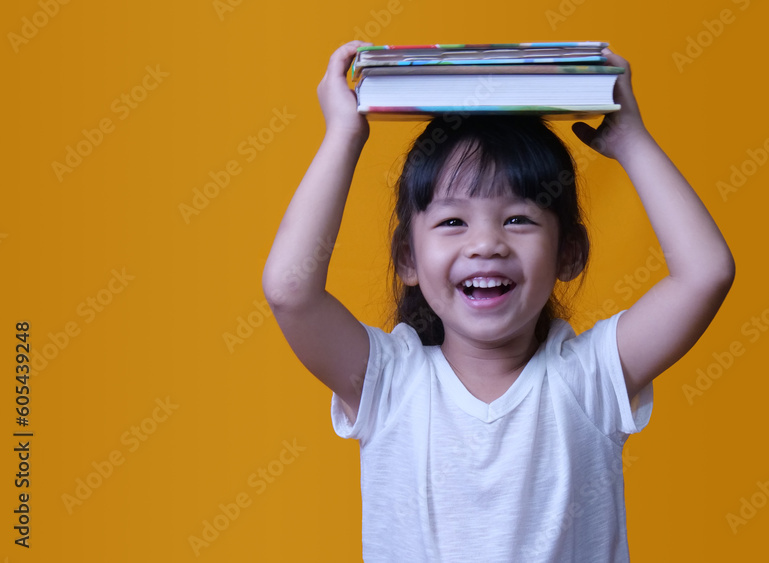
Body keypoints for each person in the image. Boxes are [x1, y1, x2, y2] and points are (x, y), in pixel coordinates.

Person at [262, 39, 735, 562]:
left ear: (569, 254)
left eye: (518, 219)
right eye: (452, 221)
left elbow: (705, 273)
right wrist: (344, 136)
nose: (486, 243)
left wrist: (633, 142)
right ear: (407, 258)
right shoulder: (388, 385)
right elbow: (290, 290)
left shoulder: (590, 380)